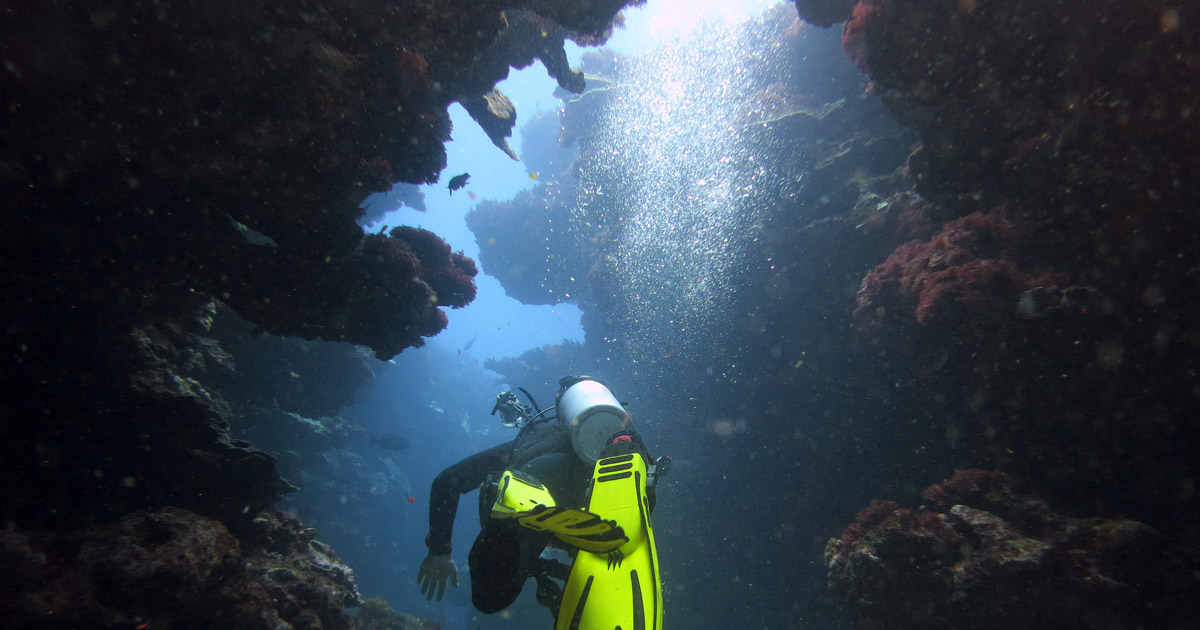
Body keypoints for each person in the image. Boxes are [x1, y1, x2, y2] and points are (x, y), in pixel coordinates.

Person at [416, 376, 656, 618]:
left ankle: (512, 517)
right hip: (595, 484)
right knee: (619, 504)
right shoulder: (595, 445)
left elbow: (448, 481)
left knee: (488, 600)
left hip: (533, 487)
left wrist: (439, 550)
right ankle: (620, 452)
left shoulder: (530, 438)